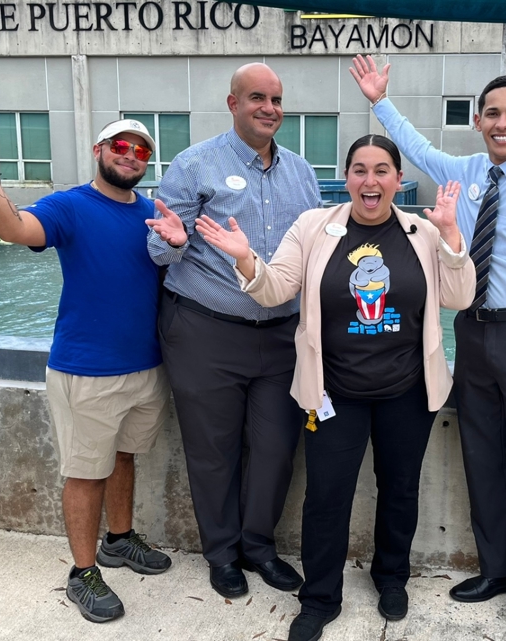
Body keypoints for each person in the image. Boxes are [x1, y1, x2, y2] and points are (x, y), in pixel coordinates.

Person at [349, 55, 506, 641]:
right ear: (478, 119)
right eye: (492, 113)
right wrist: (380, 100)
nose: (502, 123)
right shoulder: (461, 172)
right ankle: (498, 571)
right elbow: (411, 147)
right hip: (473, 332)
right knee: (481, 455)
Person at [195, 134, 474, 641]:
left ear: (397, 179)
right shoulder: (314, 227)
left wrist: (452, 236)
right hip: (333, 393)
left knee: (400, 490)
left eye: (382, 170)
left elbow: (459, 295)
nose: (371, 181)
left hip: (408, 390)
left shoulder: (423, 231)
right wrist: (244, 257)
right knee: (326, 497)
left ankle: (391, 577)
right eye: (360, 170)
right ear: (346, 178)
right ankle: (321, 597)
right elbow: (276, 287)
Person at [0, 109, 174, 623]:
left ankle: (118, 540)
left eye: (140, 150)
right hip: (87, 370)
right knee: (85, 472)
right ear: (99, 151)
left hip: (146, 367)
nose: (130, 155)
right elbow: (12, 227)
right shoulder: (71, 206)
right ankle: (83, 571)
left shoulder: (153, 213)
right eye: (120, 146)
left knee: (124, 457)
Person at [145, 62, 322, 599]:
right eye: (256, 99)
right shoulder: (194, 165)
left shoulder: (302, 171)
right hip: (206, 332)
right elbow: (158, 249)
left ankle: (259, 546)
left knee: (275, 448)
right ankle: (222, 554)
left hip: (281, 335)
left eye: (276, 99)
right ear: (233, 103)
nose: (269, 108)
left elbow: (317, 249)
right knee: (213, 450)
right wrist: (176, 240)